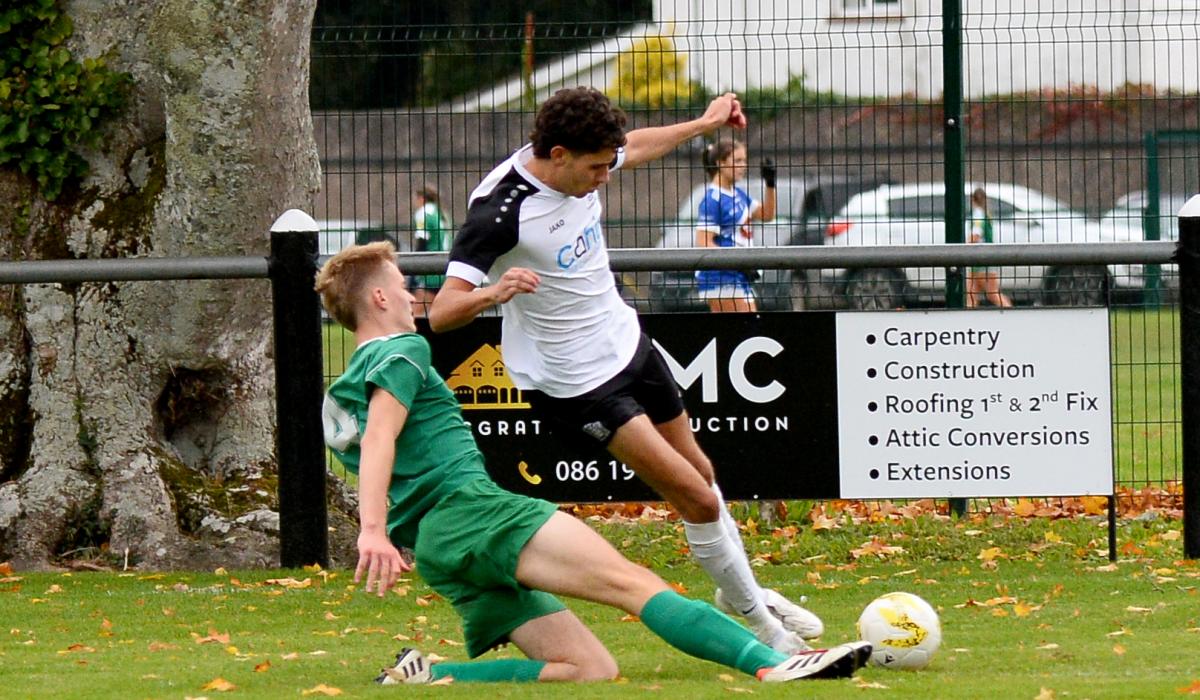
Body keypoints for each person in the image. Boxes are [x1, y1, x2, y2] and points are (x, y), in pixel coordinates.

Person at [316, 242, 871, 685]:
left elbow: (374, 443)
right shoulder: (404, 351)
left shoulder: (346, 388)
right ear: (379, 299)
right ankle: (773, 663)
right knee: (633, 583)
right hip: (471, 515)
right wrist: (371, 531)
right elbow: (382, 439)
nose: (413, 295)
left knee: (588, 669)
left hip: (438, 546)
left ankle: (432, 676)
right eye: (402, 285)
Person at [428, 87, 824, 654]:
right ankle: (766, 630)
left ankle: (741, 592)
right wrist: (496, 292)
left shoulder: (583, 161)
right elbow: (442, 313)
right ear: (558, 154)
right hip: (575, 383)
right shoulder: (500, 212)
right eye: (595, 167)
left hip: (626, 342)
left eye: (605, 165)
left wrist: (704, 122)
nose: (604, 177)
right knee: (696, 499)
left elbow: (633, 148)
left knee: (703, 475)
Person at [695, 138, 777, 313]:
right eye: (737, 161)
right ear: (720, 163)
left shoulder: (738, 194)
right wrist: (736, 261)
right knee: (741, 327)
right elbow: (704, 242)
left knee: (750, 326)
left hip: (739, 275)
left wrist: (770, 184)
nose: (743, 166)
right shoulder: (713, 199)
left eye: (744, 161)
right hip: (721, 278)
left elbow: (767, 215)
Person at [966, 186, 1012, 308]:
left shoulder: (978, 214)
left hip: (980, 259)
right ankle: (969, 316)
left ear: (972, 199)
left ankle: (1009, 311)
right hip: (981, 258)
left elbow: (976, 235)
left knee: (991, 294)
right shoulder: (986, 214)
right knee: (971, 294)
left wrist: (964, 247)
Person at [410, 185, 452, 315]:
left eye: (415, 199)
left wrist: (414, 267)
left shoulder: (423, 213)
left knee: (414, 313)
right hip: (443, 267)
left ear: (421, 198)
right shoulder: (440, 213)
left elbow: (422, 241)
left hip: (430, 271)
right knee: (440, 313)